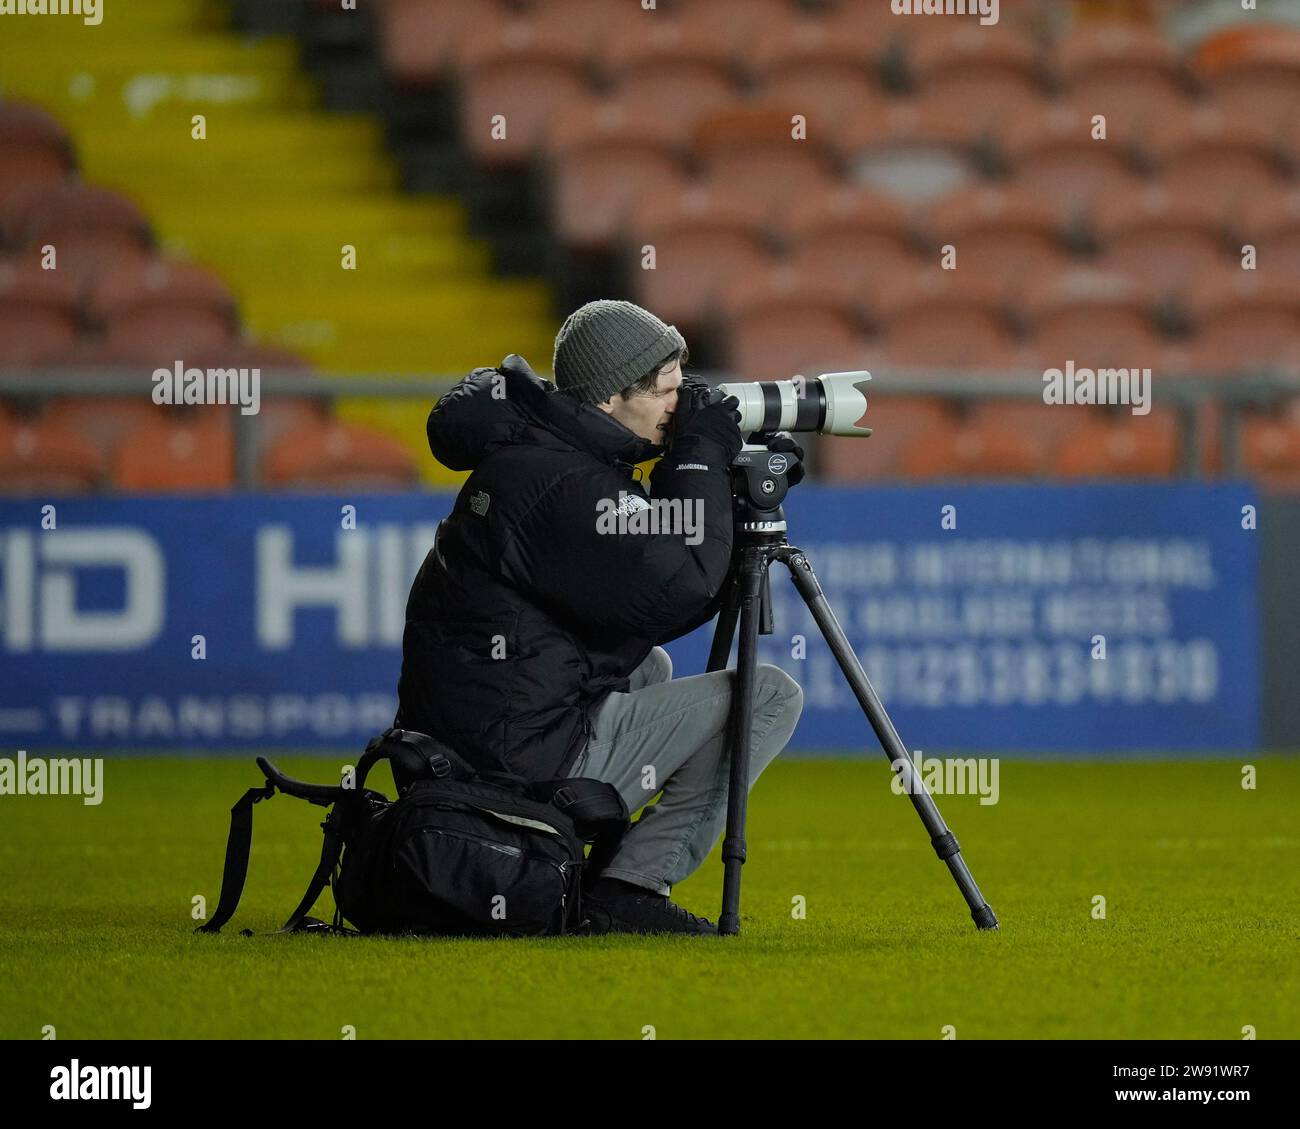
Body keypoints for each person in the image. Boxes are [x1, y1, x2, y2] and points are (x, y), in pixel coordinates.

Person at [396, 299, 804, 935]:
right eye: (669, 390)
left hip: (479, 745)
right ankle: (630, 886)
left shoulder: (539, 458)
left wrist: (701, 468)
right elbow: (678, 585)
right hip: (514, 769)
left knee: (647, 663)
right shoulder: (567, 485)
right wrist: (698, 457)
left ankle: (600, 872)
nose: (681, 404)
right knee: (771, 695)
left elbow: (644, 606)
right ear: (611, 397)